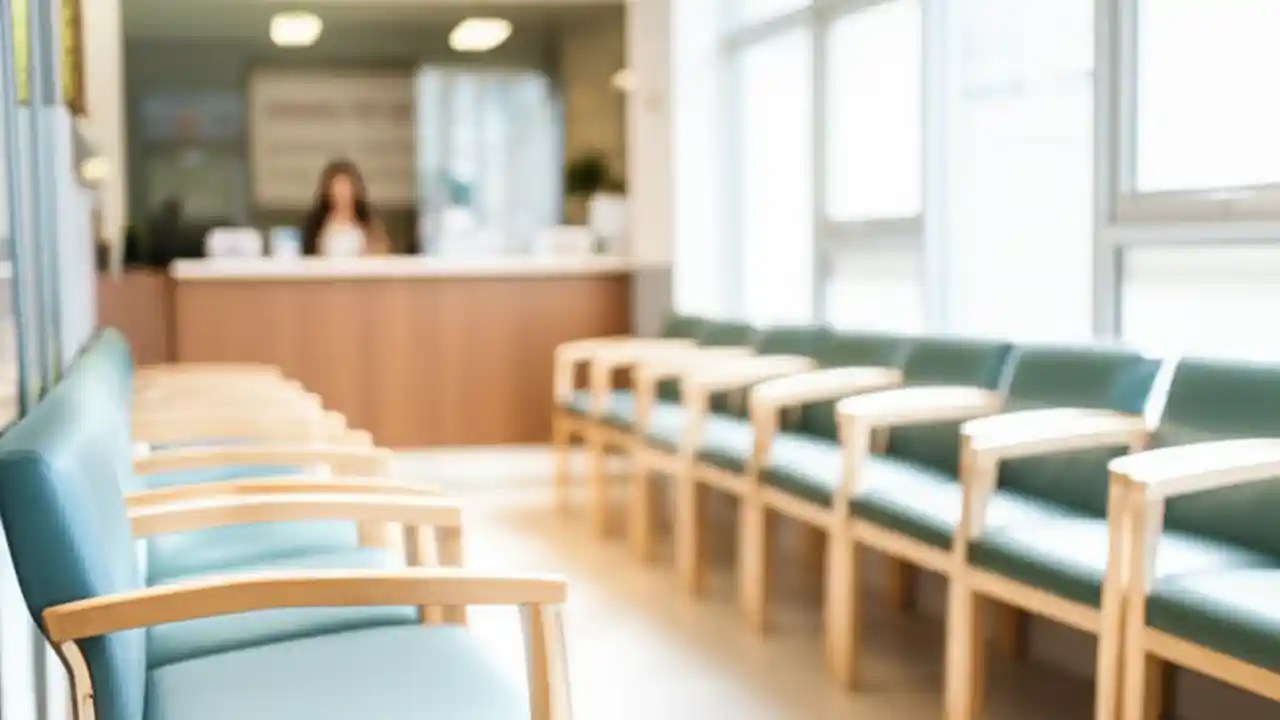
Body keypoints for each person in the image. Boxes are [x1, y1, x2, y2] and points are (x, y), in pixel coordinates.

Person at [301, 159, 391, 256]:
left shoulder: (369, 222)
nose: (342, 194)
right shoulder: (316, 225)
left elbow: (381, 254)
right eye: (337, 188)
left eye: (346, 188)